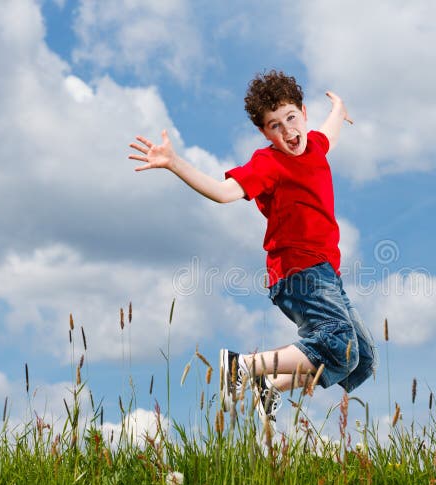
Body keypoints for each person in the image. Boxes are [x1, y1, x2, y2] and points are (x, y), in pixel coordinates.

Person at [128, 70, 376, 429]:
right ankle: (241, 366)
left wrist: (339, 108)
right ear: (264, 132)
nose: (288, 132)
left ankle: (269, 387)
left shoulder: (316, 145)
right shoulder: (268, 163)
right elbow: (223, 192)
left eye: (291, 118)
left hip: (327, 273)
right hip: (297, 272)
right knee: (338, 343)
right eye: (275, 126)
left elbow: (330, 132)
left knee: (361, 360)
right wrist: (173, 163)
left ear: (304, 114)